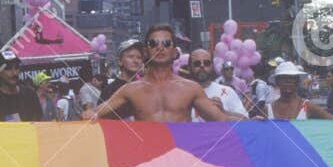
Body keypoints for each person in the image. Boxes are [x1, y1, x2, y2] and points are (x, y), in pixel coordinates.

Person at [93, 24, 240, 122]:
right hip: (147, 163)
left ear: (175, 52)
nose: (160, 48)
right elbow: (94, 115)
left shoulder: (191, 88)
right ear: (146, 51)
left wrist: (255, 125)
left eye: (166, 43)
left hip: (182, 161)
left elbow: (221, 120)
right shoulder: (130, 90)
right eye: (153, 43)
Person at [0, 50, 42, 122]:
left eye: (16, 68)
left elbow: (39, 125)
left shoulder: (30, 95)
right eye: (8, 69)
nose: (14, 73)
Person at [187, 48, 248, 118]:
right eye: (197, 63)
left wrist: (223, 112)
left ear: (212, 66)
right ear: (189, 68)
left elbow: (245, 120)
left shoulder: (228, 91)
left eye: (206, 63)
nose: (202, 66)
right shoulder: (181, 95)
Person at [264, 60, 332, 120]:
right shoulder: (268, 109)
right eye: (284, 78)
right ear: (277, 82)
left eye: (292, 78)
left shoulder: (307, 107)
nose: (288, 81)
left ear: (297, 82)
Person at [100, 39, 145, 117]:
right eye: (131, 57)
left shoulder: (145, 88)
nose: (136, 61)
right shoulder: (109, 90)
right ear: (120, 61)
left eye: (139, 57)